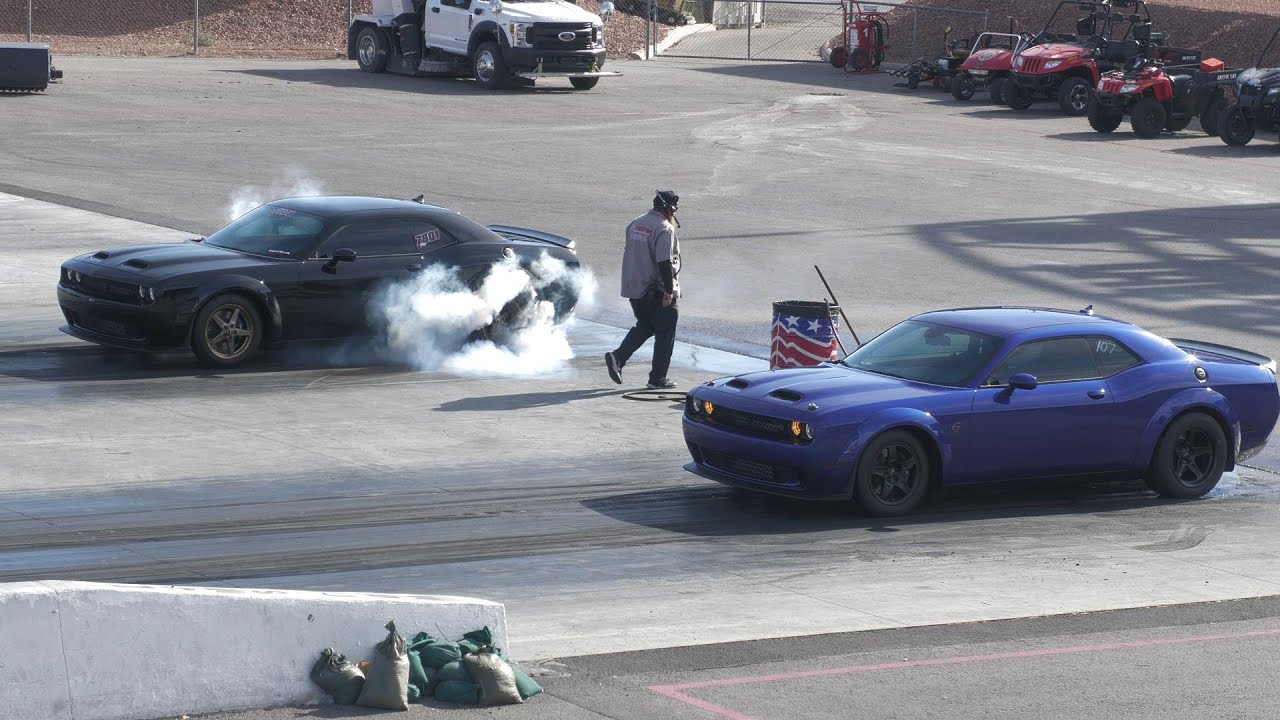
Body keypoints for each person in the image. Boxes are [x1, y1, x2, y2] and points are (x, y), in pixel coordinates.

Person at [605, 190, 681, 389]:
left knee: (646, 326)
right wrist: (668, 290)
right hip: (655, 290)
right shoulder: (664, 228)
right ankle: (657, 379)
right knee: (665, 332)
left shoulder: (636, 223)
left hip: (634, 290)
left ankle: (618, 357)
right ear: (669, 209)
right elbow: (664, 262)